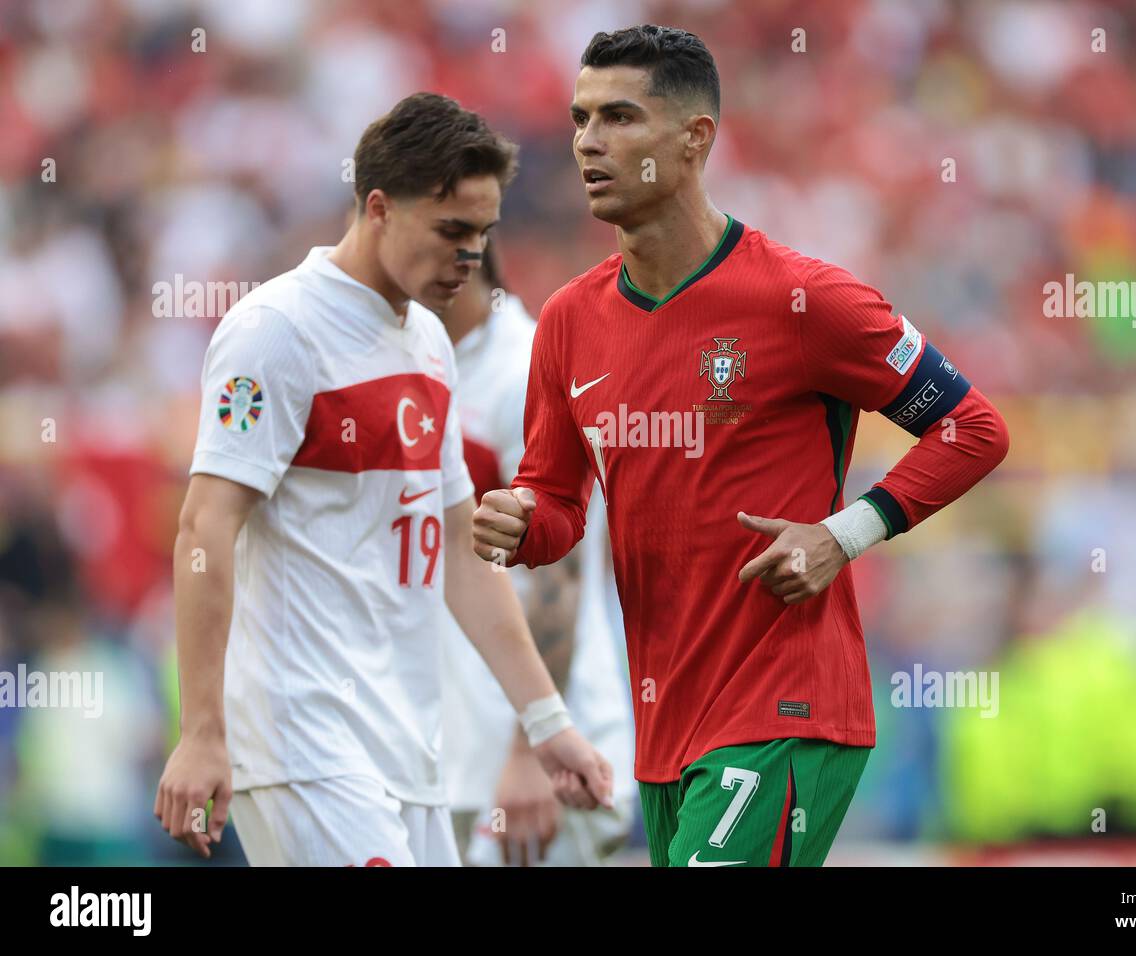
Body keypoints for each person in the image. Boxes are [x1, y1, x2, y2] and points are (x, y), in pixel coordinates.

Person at [471, 26, 1009, 867]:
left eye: (618, 117)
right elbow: (559, 507)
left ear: (695, 140)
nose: (587, 142)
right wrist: (517, 518)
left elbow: (973, 428)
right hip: (667, 727)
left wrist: (843, 535)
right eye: (580, 119)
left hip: (786, 707)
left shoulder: (805, 299)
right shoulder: (570, 323)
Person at [155, 92, 611, 867]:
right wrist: (202, 732)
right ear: (377, 208)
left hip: (408, 742)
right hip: (305, 740)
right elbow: (204, 529)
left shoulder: (428, 342)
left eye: (483, 234)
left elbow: (466, 553)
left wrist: (544, 722)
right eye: (451, 232)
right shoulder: (278, 332)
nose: (470, 258)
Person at [439, 246, 636, 866]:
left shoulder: (525, 363)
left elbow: (563, 573)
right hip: (453, 758)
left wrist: (532, 750)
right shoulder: (419, 363)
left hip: (533, 768)